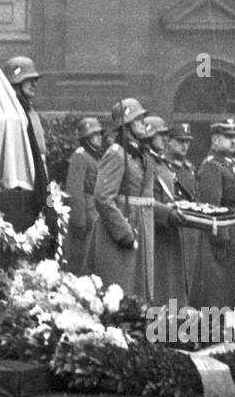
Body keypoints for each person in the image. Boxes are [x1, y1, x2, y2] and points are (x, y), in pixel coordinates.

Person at [84, 98, 156, 303]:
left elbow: (146, 197)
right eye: (138, 119)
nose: (143, 122)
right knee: (120, 292)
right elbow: (103, 197)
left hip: (140, 226)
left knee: (139, 294)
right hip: (119, 232)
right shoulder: (116, 154)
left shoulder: (140, 155)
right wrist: (124, 233)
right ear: (126, 125)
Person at [190, 119, 235, 314]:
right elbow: (211, 206)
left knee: (232, 289)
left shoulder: (231, 163)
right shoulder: (212, 165)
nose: (233, 141)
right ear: (215, 139)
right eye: (228, 137)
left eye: (234, 137)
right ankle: (214, 332)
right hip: (226, 234)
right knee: (219, 288)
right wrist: (221, 237)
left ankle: (221, 331)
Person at [144, 115, 189, 305]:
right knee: (159, 286)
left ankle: (171, 327)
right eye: (159, 135)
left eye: (164, 135)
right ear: (148, 137)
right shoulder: (146, 162)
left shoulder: (161, 162)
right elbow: (144, 199)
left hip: (167, 228)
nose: (164, 139)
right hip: (155, 229)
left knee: (171, 285)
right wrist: (167, 212)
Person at [64, 116, 105, 275]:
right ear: (86, 138)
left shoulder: (96, 158)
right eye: (94, 135)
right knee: (82, 265)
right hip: (86, 219)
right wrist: (79, 222)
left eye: (100, 134)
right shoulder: (80, 156)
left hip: (97, 218)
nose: (99, 138)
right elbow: (74, 191)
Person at [4, 56, 48, 201]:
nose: (34, 84)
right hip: (21, 183)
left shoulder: (30, 111)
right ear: (15, 83)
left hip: (38, 178)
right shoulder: (11, 116)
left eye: (35, 80)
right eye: (29, 80)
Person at [167, 122, 200, 297]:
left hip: (189, 228)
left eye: (187, 142)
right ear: (169, 141)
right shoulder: (164, 166)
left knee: (189, 274)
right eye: (180, 141)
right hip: (173, 224)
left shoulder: (188, 168)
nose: (185, 145)